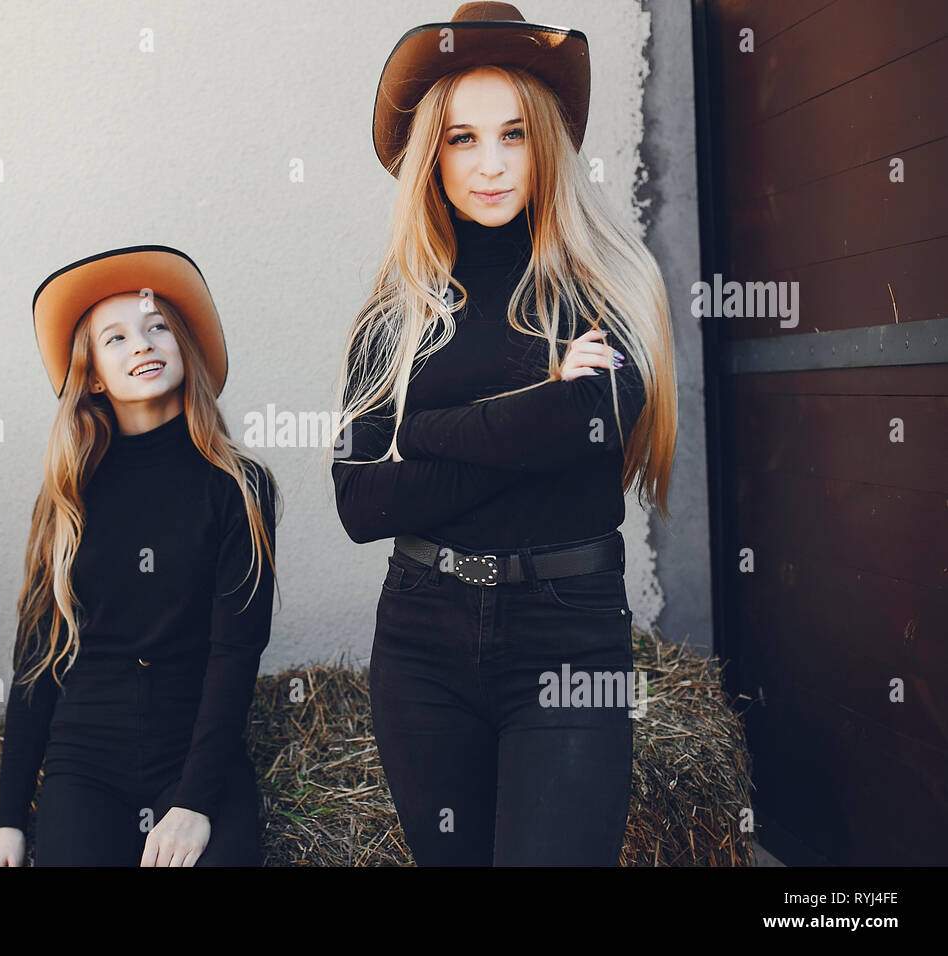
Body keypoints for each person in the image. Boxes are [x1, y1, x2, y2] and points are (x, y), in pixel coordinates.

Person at [329, 2, 678, 865]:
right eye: (461, 139)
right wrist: (537, 410)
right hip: (420, 635)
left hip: (568, 630)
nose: (489, 165)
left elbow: (593, 424)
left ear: (547, 143)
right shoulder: (397, 312)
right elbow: (361, 500)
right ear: (431, 157)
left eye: (513, 135)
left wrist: (428, 428)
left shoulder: (611, 287)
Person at [0, 245, 280, 866]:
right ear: (92, 374)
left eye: (157, 327)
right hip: (85, 763)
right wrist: (10, 820)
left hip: (191, 760)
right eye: (114, 338)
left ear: (183, 346)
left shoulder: (239, 488)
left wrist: (195, 803)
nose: (141, 344)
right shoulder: (67, 494)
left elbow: (235, 652)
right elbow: (36, 661)